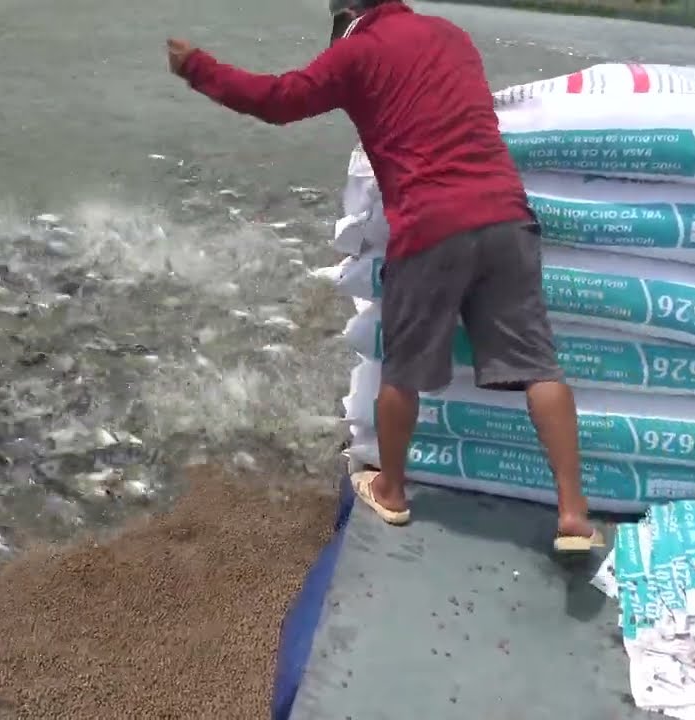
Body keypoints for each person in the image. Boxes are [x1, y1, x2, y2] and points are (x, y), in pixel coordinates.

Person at [165, 0, 603, 553]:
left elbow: (276, 100)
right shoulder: (450, 34)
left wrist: (196, 67)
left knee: (402, 370)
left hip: (432, 225)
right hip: (506, 217)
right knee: (540, 365)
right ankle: (573, 512)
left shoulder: (356, 51)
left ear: (348, 8)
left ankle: (392, 490)